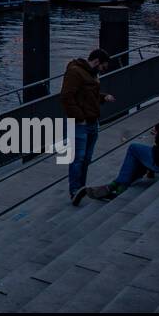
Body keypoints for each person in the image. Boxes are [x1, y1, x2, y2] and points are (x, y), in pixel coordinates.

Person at [62, 48, 116, 206]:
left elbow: (88, 95)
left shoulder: (92, 74)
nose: (103, 70)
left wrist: (103, 97)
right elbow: (66, 97)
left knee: (86, 158)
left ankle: (80, 189)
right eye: (103, 67)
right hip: (80, 123)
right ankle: (75, 191)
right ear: (97, 61)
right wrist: (79, 118)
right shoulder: (75, 72)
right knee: (78, 158)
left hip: (92, 121)